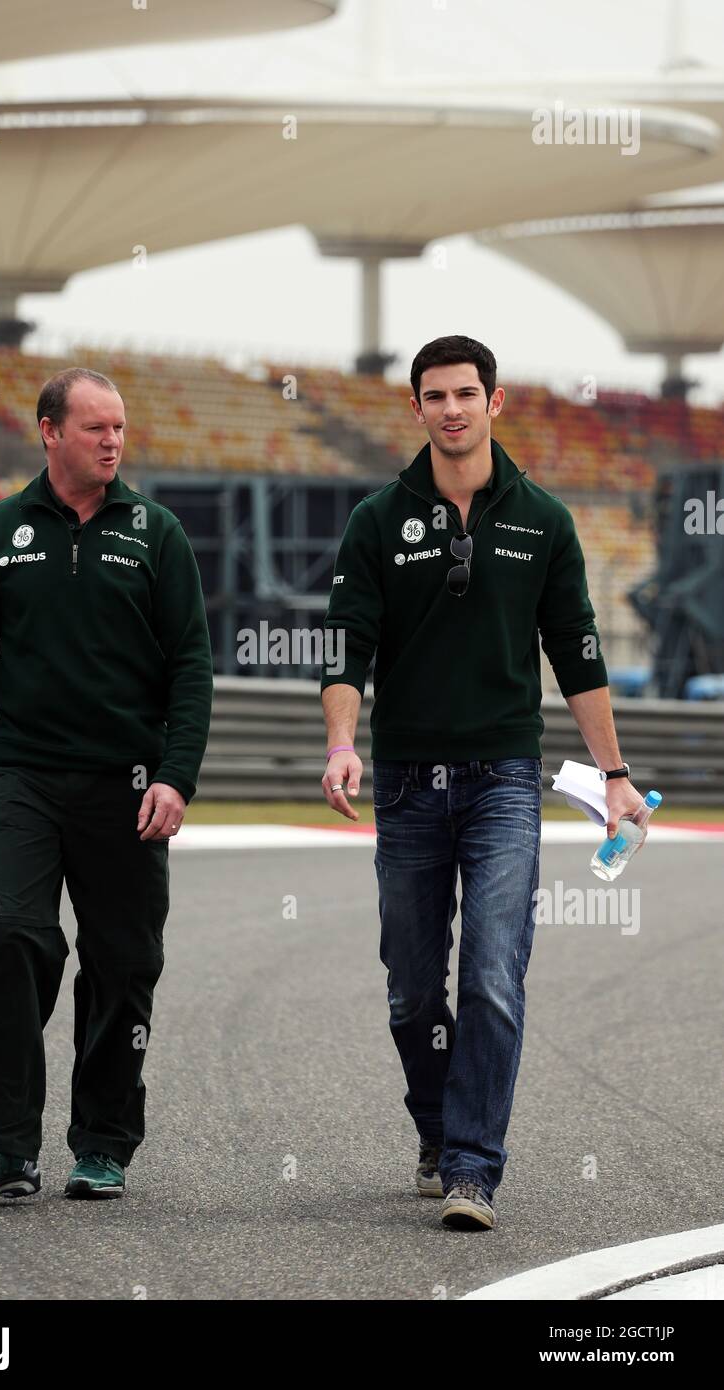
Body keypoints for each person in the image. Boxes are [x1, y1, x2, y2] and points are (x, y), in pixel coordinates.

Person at [319, 335, 643, 1231]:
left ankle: (472, 1168)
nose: (451, 408)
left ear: (495, 403)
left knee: (494, 977)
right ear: (415, 409)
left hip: (505, 777)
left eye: (467, 393)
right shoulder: (378, 522)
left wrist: (615, 776)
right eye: (435, 396)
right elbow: (347, 647)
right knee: (413, 988)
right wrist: (343, 742)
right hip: (406, 780)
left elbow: (577, 654)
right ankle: (437, 1128)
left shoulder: (545, 520)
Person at [0, 367, 213, 1205]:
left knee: (124, 963)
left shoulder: (156, 534)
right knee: (10, 937)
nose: (113, 441)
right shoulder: (0, 530)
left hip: (127, 787)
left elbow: (191, 666)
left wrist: (175, 776)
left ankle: (103, 1141)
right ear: (49, 431)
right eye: (95, 428)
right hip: (19, 778)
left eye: (120, 428)